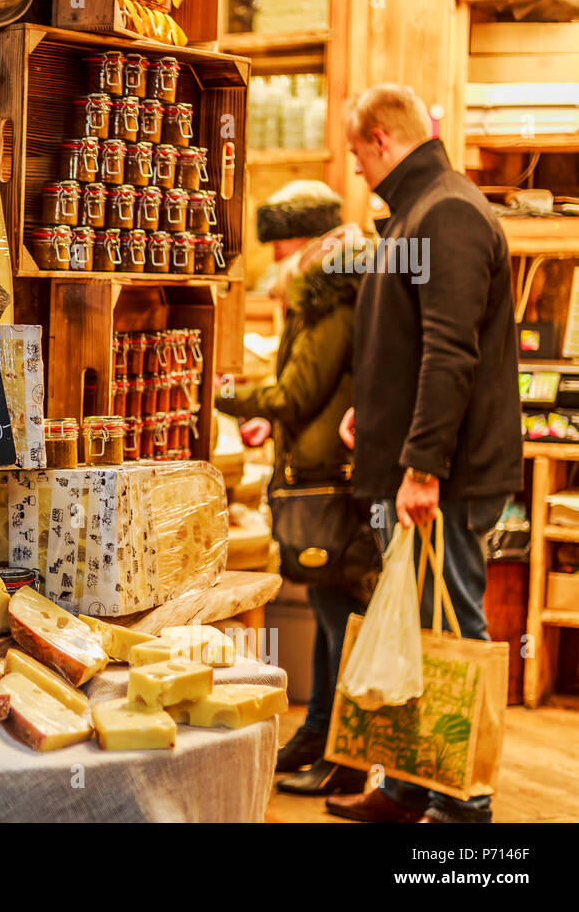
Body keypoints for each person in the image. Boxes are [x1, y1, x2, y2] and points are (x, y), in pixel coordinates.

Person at [327, 84, 522, 824]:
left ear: (381, 138)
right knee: (417, 632)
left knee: (450, 634)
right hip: (412, 467)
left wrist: (420, 469)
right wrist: (369, 417)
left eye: (355, 152)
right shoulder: (421, 210)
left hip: (442, 479)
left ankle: (463, 805)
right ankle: (410, 788)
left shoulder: (444, 211)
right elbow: (412, 346)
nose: (354, 168)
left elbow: (450, 353)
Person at [216, 181, 373, 796]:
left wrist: (225, 393)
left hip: (332, 475)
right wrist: (270, 415)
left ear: (304, 242)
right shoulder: (332, 286)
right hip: (323, 466)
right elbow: (308, 390)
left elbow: (300, 392)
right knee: (333, 610)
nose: (276, 261)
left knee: (341, 612)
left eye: (280, 246)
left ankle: (342, 753)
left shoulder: (333, 295)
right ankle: (317, 735)